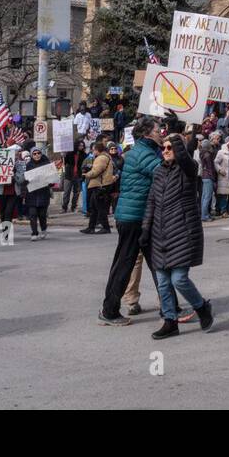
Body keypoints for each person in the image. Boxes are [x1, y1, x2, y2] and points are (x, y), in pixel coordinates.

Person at [141, 134, 213, 339]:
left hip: (182, 232)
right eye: (163, 148)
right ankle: (170, 321)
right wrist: (146, 229)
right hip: (160, 233)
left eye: (169, 147)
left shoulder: (188, 171)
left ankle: (201, 307)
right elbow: (151, 202)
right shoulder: (158, 172)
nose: (165, 151)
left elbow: (185, 156)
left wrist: (174, 133)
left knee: (179, 279)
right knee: (163, 282)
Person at [99, 117, 163, 325]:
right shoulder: (143, 153)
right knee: (125, 264)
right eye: (157, 130)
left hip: (139, 217)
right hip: (134, 218)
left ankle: (170, 306)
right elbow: (164, 172)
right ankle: (109, 310)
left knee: (158, 262)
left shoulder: (145, 150)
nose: (160, 133)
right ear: (146, 134)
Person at [81, 141, 115, 234]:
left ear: (97, 150)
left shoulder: (101, 158)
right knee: (94, 207)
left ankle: (106, 227)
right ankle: (91, 227)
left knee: (100, 208)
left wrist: (86, 175)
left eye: (94, 150)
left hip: (100, 185)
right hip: (100, 184)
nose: (93, 152)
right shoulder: (105, 157)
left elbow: (96, 171)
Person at [24, 147, 53, 241]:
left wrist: (49, 181)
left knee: (42, 215)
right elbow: (26, 179)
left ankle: (43, 229)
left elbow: (52, 180)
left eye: (38, 153)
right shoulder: (29, 165)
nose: (37, 155)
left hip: (43, 193)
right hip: (32, 194)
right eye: (34, 154)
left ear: (41, 154)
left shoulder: (46, 164)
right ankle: (34, 233)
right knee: (32, 214)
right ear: (32, 155)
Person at [61, 140, 86, 213]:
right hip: (69, 175)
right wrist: (63, 156)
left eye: (82, 146)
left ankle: (74, 206)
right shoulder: (70, 153)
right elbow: (64, 162)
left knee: (76, 192)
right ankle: (64, 207)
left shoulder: (84, 155)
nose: (81, 147)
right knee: (66, 192)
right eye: (80, 145)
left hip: (78, 175)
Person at [198, 136, 217, 221]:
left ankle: (205, 214)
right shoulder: (207, 154)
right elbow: (210, 167)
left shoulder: (202, 152)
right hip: (208, 176)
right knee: (207, 197)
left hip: (204, 175)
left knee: (204, 196)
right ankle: (204, 216)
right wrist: (213, 178)